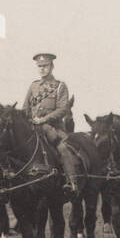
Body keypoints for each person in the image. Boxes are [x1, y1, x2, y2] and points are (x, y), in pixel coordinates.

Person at [21, 53, 76, 192]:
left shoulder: (60, 86)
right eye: (39, 66)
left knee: (62, 148)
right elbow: (25, 108)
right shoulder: (33, 86)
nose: (42, 69)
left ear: (51, 66)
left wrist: (44, 119)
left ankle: (71, 182)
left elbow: (62, 109)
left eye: (45, 66)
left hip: (53, 128)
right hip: (34, 128)